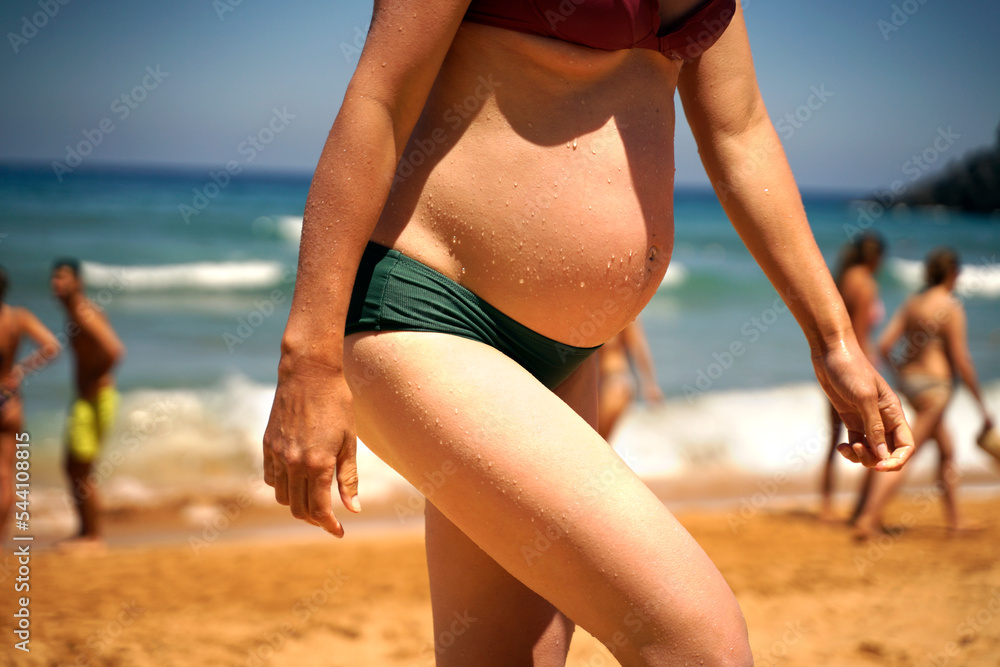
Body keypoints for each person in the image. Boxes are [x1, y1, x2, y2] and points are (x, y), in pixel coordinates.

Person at [263, 2, 915, 664]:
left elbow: (739, 133)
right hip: (426, 313)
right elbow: (380, 98)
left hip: (569, 356)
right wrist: (308, 359)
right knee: (699, 641)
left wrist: (834, 338)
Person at [853, 248, 993, 539]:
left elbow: (885, 346)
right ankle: (868, 518)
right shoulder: (950, 306)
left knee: (946, 450)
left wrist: (900, 376)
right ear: (953, 274)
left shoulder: (913, 303)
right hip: (936, 388)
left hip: (913, 384)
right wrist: (981, 406)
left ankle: (955, 519)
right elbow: (961, 359)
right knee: (907, 453)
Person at [51, 258, 125, 549]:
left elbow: (114, 349)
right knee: (74, 467)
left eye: (63, 278)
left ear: (78, 283)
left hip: (94, 398)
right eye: (54, 279)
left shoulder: (83, 313)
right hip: (90, 398)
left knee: (81, 469)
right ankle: (85, 532)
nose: (56, 284)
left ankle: (93, 536)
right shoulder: (78, 312)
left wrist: (95, 379)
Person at [818, 233, 886, 522]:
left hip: (834, 366)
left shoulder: (843, 278)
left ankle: (826, 502)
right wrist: (867, 373)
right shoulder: (865, 283)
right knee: (879, 439)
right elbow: (857, 335)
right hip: (857, 367)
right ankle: (863, 510)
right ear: (875, 257)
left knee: (835, 437)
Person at [0, 266, 61, 545]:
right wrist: (22, 370)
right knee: (5, 475)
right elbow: (52, 346)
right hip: (8, 399)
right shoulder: (16, 318)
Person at [598, 318, 664, 441]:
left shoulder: (622, 308)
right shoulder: (586, 308)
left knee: (598, 438)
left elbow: (638, 346)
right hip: (594, 384)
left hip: (614, 380)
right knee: (595, 438)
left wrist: (650, 384)